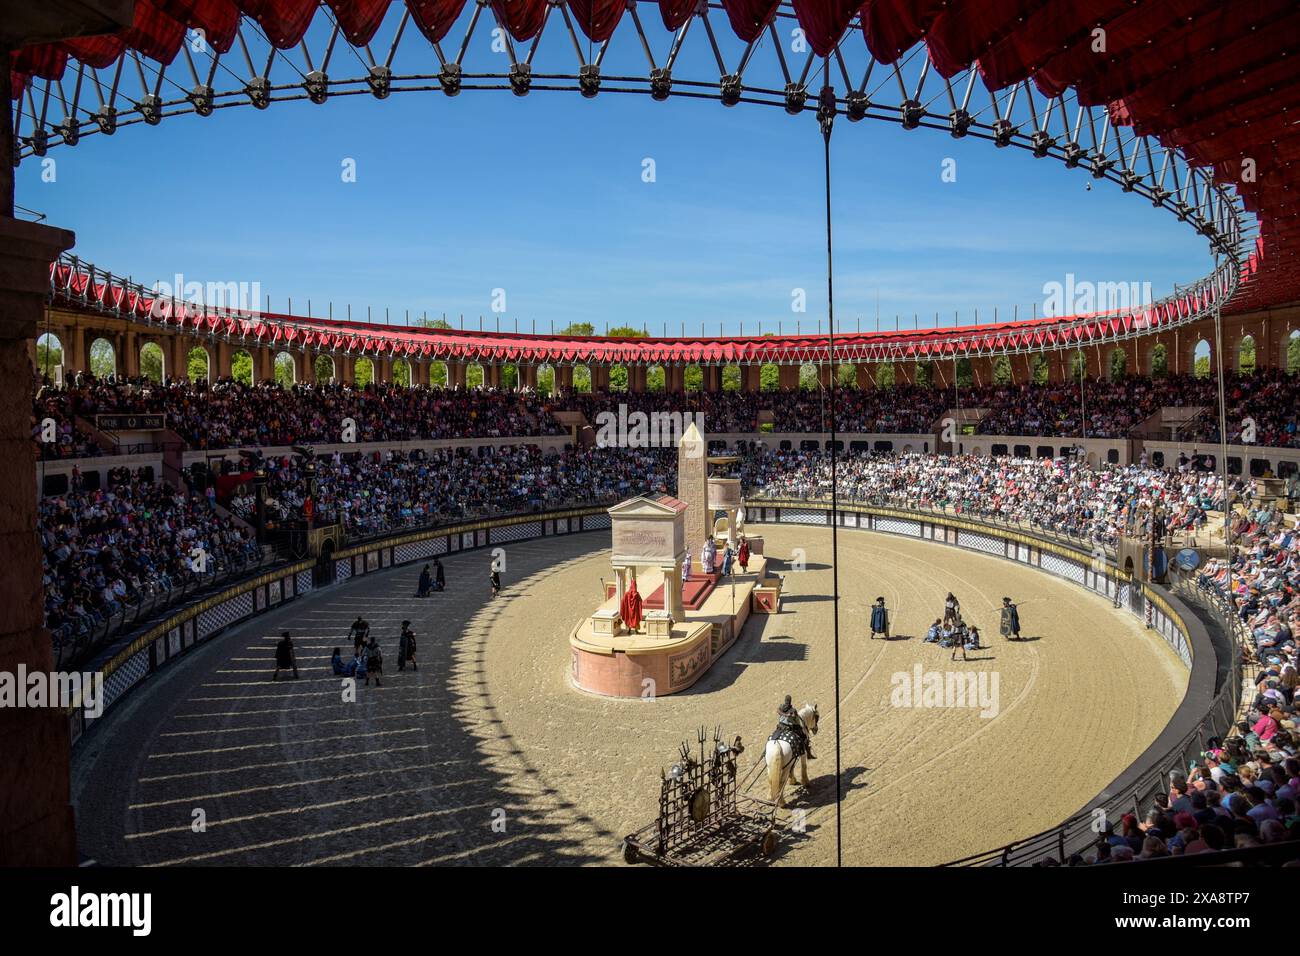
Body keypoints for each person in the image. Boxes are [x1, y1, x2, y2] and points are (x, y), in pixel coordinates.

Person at [776, 694, 815, 760]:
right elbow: (796, 719)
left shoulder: (781, 706)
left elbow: (778, 711)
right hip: (788, 728)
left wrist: (785, 714)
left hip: (780, 727)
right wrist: (789, 715)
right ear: (790, 701)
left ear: (785, 700)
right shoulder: (793, 710)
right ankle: (807, 753)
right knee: (804, 737)